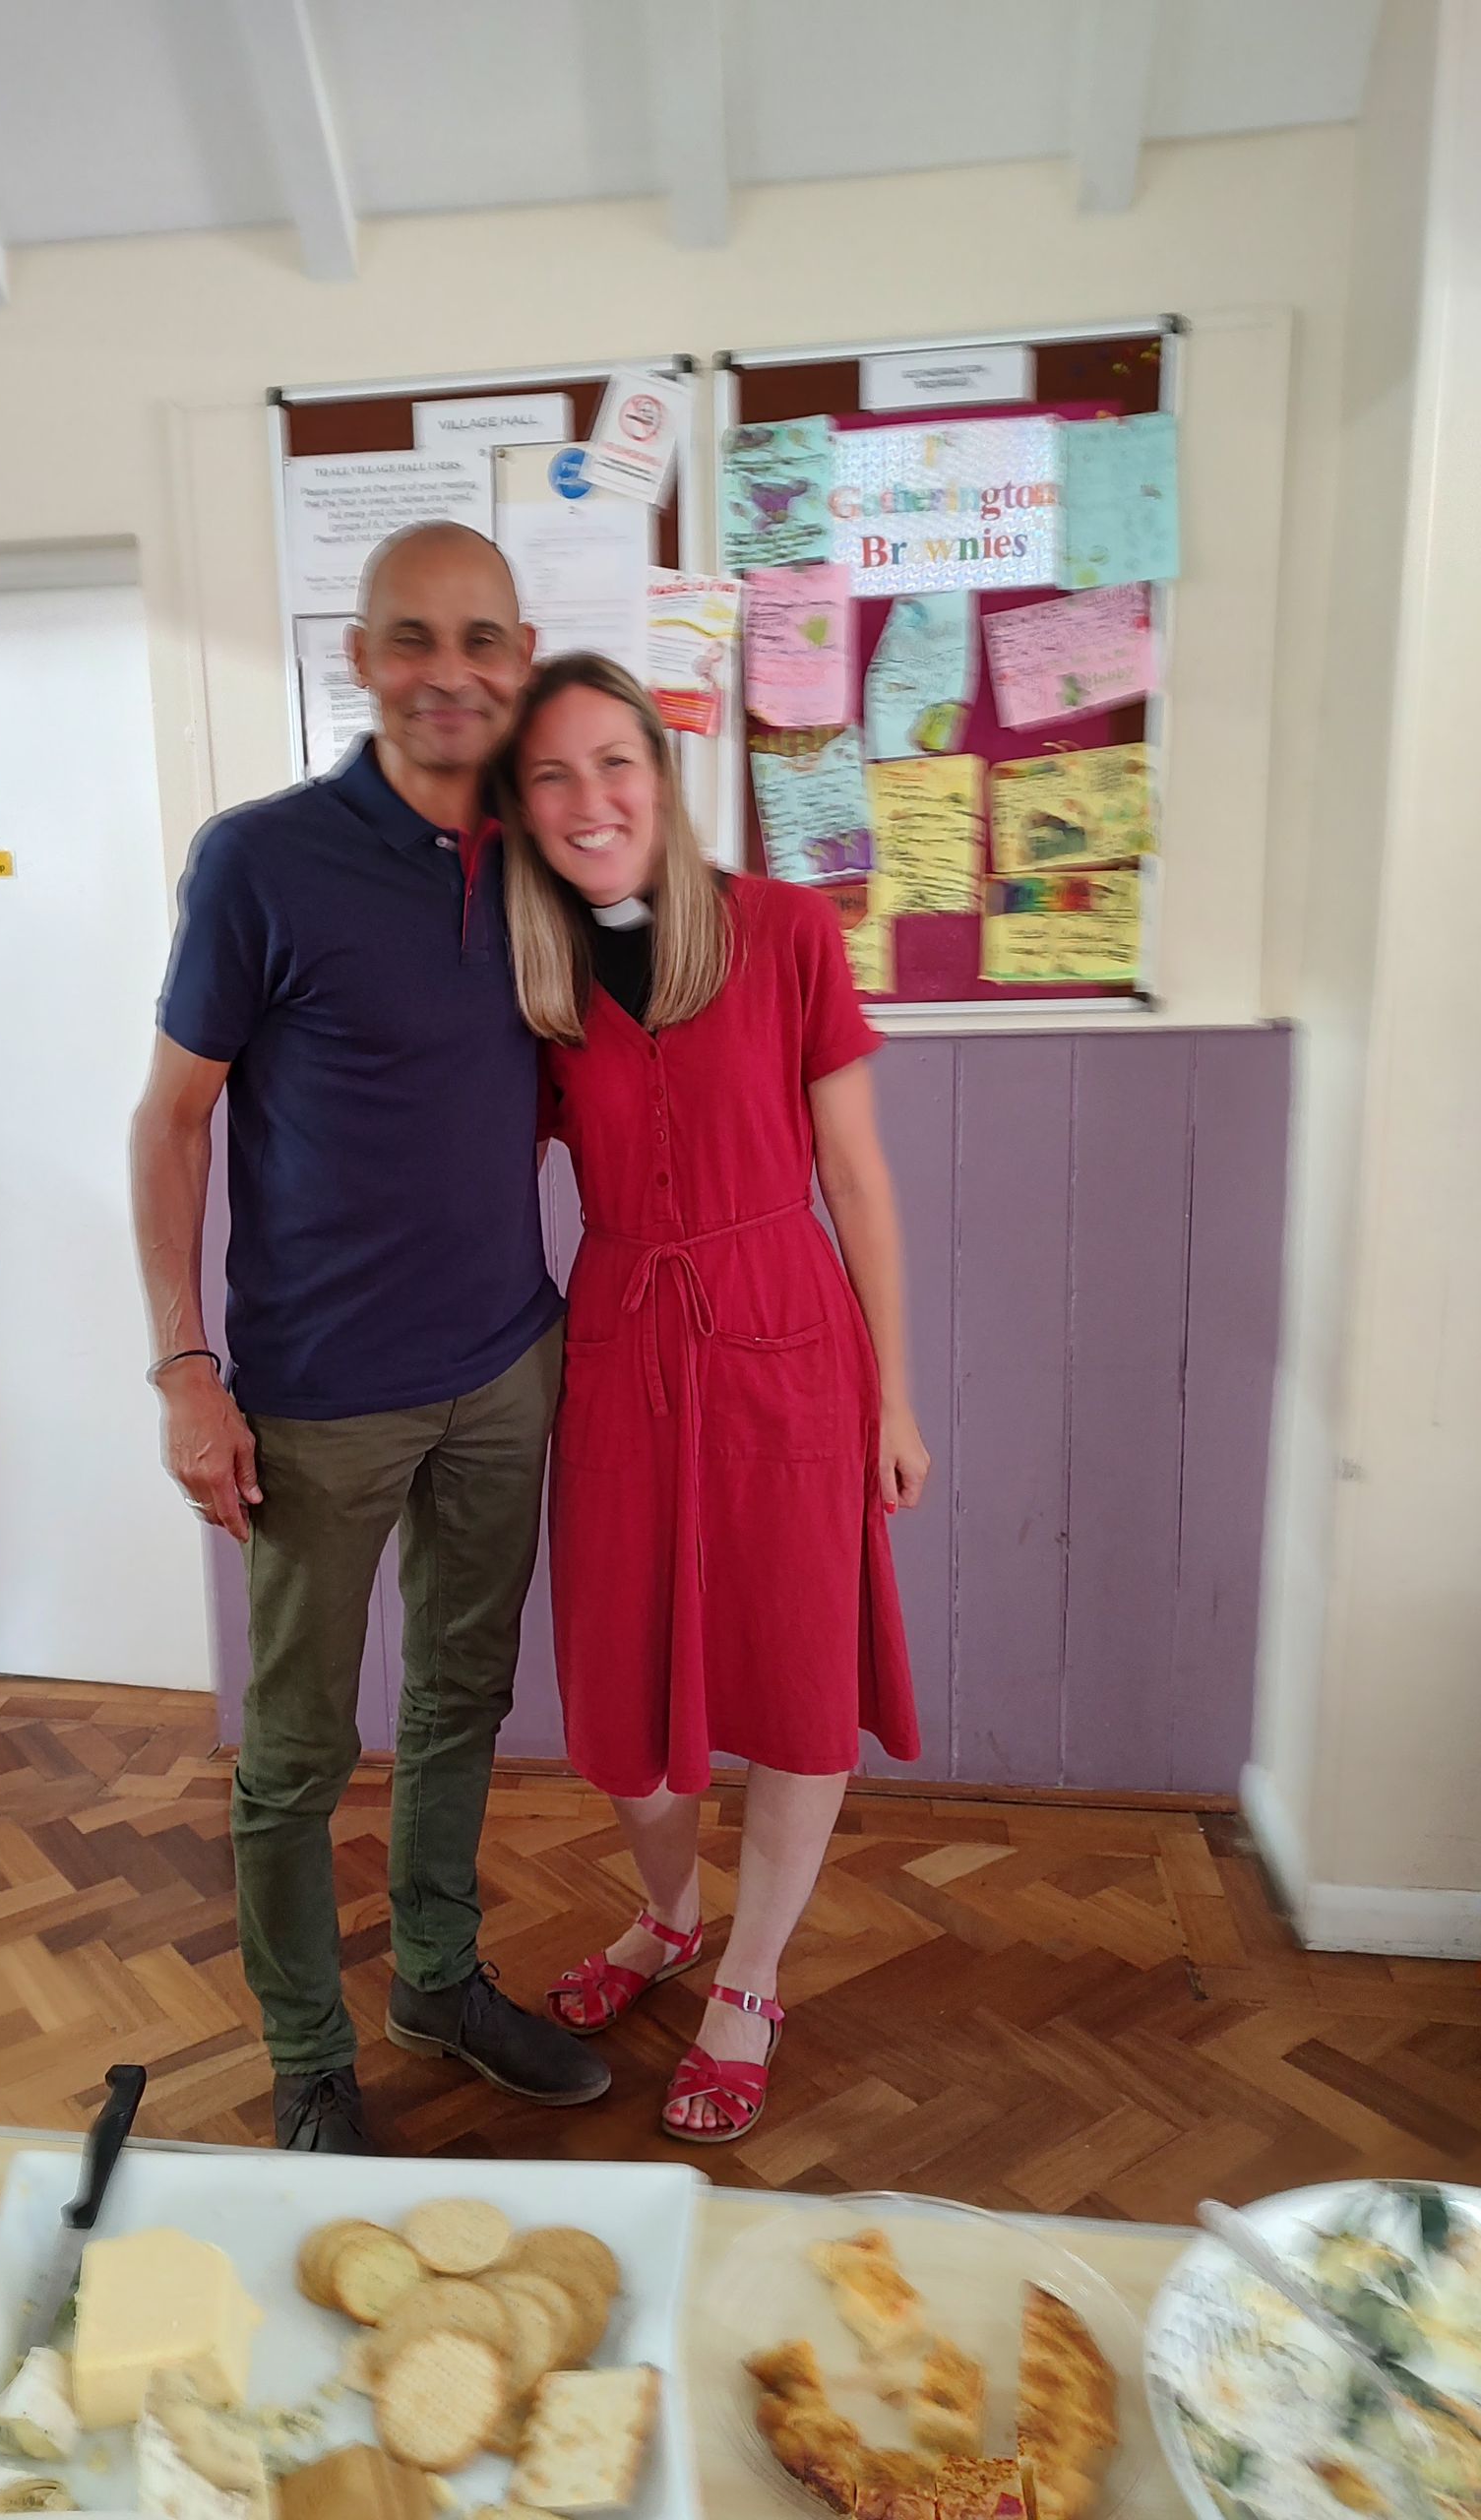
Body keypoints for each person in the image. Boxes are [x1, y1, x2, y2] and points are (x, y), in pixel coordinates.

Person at [130, 525, 607, 2154]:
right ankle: (307, 2055)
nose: (450, 672)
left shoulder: (548, 852)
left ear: (522, 651)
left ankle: (436, 1980)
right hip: (318, 1396)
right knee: (295, 1751)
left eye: (481, 640)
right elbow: (171, 1124)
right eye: (414, 639)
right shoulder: (259, 859)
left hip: (505, 1366)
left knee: (465, 1698)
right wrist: (187, 1365)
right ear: (359, 656)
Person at [498, 652, 929, 2144]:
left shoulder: (787, 930)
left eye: (614, 761)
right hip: (620, 1342)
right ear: (521, 809)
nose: (589, 797)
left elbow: (858, 1177)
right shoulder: (534, 979)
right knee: (621, 1689)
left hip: (789, 1341)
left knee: (799, 1671)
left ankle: (750, 1977)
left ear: (661, 774)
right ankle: (668, 1915)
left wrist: (896, 1398)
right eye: (549, 773)